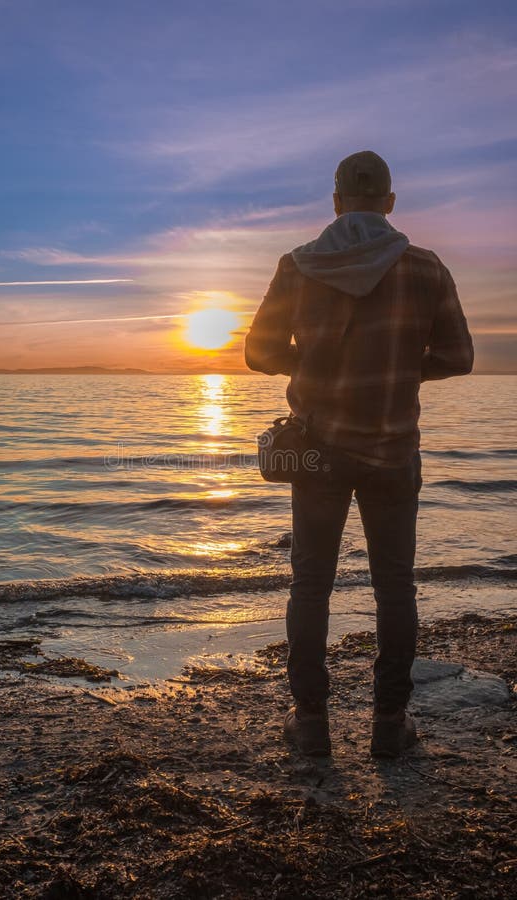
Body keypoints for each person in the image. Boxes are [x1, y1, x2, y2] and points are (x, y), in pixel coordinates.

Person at [245, 150, 474, 757]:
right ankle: (388, 727)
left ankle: (312, 725)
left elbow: (258, 353)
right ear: (390, 204)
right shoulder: (426, 269)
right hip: (393, 449)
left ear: (337, 202)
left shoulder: (298, 267)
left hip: (317, 448)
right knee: (395, 588)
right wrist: (397, 369)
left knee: (311, 585)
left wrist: (316, 363)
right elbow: (459, 357)